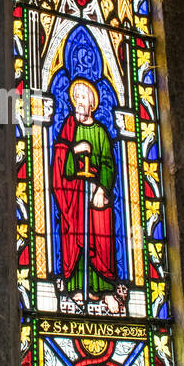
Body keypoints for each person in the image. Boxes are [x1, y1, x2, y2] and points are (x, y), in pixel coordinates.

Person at [51, 78, 120, 311]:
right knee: (75, 236)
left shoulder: (100, 132)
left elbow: (109, 163)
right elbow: (61, 163)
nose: (79, 102)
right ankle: (77, 287)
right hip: (75, 195)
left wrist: (102, 188)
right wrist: (75, 150)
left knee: (101, 240)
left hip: (96, 195)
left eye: (83, 98)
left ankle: (105, 290)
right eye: (76, 98)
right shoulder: (70, 128)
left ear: (92, 103)